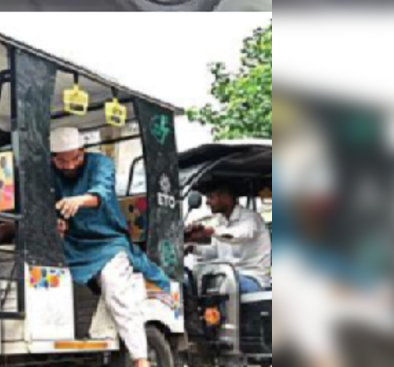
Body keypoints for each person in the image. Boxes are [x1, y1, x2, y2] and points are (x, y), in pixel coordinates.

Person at [50, 126, 170, 367]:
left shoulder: (101, 164)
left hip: (108, 242)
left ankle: (140, 358)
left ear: (83, 152)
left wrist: (79, 201)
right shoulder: (47, 172)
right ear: (53, 159)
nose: (70, 165)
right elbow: (42, 204)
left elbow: (101, 192)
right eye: (62, 161)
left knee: (116, 287)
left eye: (75, 158)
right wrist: (55, 222)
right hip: (72, 243)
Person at [184, 183, 272, 293]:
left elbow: (236, 236)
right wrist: (192, 248)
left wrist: (209, 232)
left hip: (252, 279)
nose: (207, 202)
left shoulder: (251, 218)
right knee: (189, 283)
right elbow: (215, 251)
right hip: (229, 276)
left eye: (211, 197)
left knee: (221, 288)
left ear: (226, 198)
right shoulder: (221, 221)